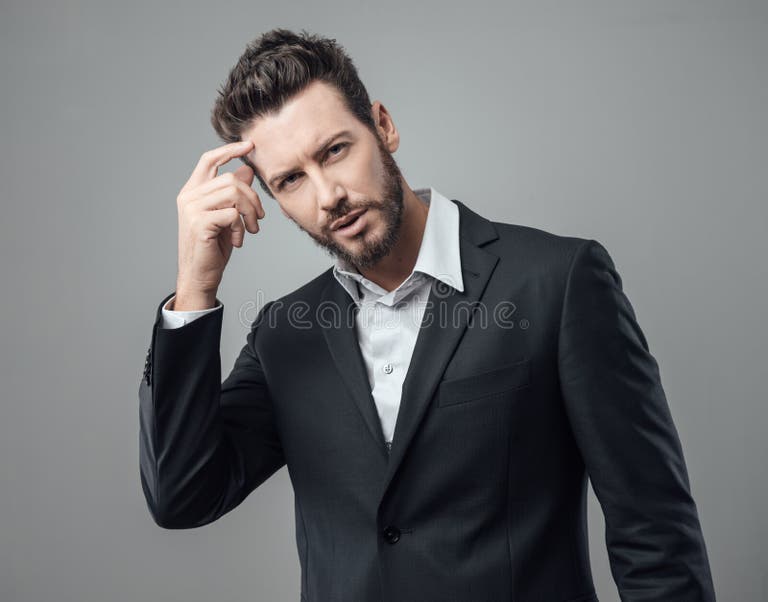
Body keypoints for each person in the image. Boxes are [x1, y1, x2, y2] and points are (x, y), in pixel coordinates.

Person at [138, 28, 716, 602]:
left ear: (382, 126)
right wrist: (196, 287)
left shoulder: (557, 283)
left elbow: (655, 534)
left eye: (335, 151)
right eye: (291, 180)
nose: (328, 195)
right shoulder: (283, 335)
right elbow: (183, 496)